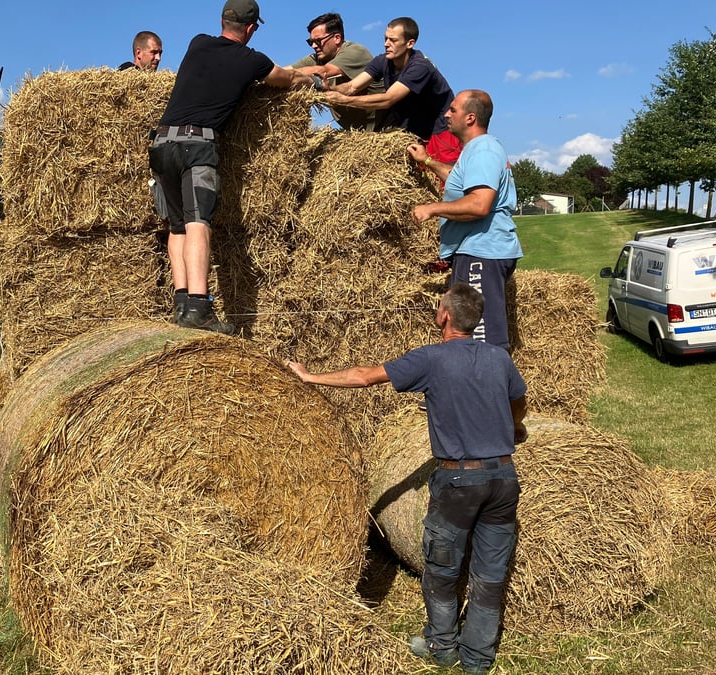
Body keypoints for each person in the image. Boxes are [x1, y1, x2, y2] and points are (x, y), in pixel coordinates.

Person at [285, 282, 527, 675]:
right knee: (490, 573)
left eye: (438, 306)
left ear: (445, 316)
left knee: (443, 567)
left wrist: (310, 377)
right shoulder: (499, 358)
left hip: (459, 483)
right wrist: (514, 427)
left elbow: (364, 377)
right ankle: (478, 660)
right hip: (503, 478)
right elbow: (519, 399)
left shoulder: (432, 359)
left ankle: (442, 647)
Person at [149, 0, 313, 333]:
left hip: (161, 145)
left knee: (177, 226)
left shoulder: (198, 42)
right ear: (251, 29)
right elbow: (286, 78)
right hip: (196, 147)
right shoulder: (253, 61)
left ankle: (182, 306)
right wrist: (313, 80)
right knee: (198, 223)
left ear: (222, 20)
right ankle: (198, 308)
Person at [407, 89, 522, 351]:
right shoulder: (476, 150)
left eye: (453, 110)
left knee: (484, 341)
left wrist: (433, 208)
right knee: (467, 337)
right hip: (474, 251)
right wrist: (428, 160)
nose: (447, 114)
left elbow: (480, 204)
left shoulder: (483, 150)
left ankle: (493, 390)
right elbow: (463, 183)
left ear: (470, 118)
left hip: (483, 252)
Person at [323, 17, 461, 169]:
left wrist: (343, 100)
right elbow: (351, 87)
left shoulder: (420, 67)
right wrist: (328, 91)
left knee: (444, 182)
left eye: (393, 40)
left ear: (410, 43)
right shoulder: (382, 61)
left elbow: (387, 100)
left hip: (440, 131)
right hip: (413, 131)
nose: (386, 44)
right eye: (385, 38)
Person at [288, 13, 381, 131]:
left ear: (337, 38)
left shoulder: (355, 51)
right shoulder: (317, 58)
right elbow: (286, 71)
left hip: (384, 126)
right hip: (357, 133)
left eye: (318, 41)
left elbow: (323, 71)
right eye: (310, 42)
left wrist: (291, 77)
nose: (313, 46)